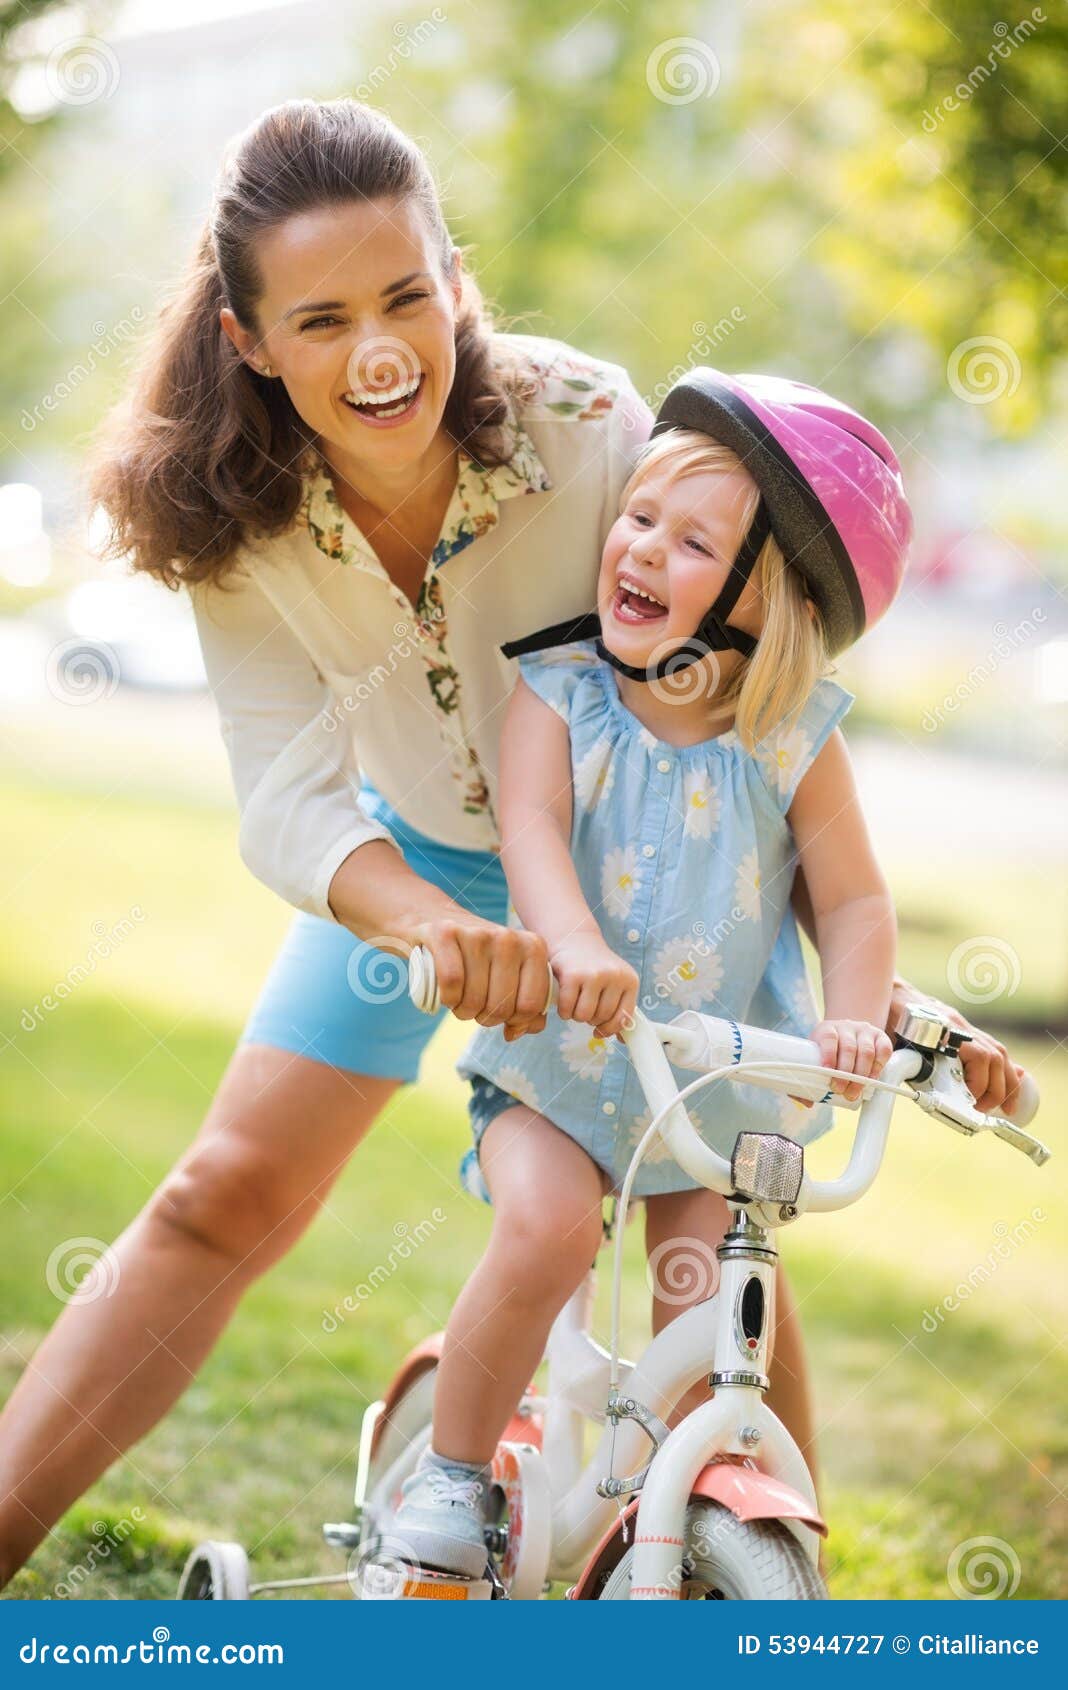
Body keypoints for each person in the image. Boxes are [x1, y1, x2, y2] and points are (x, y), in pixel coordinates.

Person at [0, 101, 1025, 1588]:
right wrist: (425, 920)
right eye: (324, 316)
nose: (381, 351)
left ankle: (789, 1593)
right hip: (414, 873)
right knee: (222, 1190)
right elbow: (287, 791)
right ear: (249, 339)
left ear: (458, 281)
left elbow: (740, 704)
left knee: (717, 1210)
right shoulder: (237, 514)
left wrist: (875, 1007)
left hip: (637, 885)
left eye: (410, 295)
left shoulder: (588, 426)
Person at [386, 369, 959, 1577]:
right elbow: (533, 830)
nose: (638, 547)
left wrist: (853, 1025)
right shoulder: (566, 694)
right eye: (639, 516)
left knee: (700, 1308)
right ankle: (447, 1482)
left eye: (692, 540)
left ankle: (662, 1534)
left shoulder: (789, 737)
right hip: (559, 1063)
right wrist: (575, 945)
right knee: (545, 1230)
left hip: (704, 1094)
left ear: (771, 602)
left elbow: (852, 897)